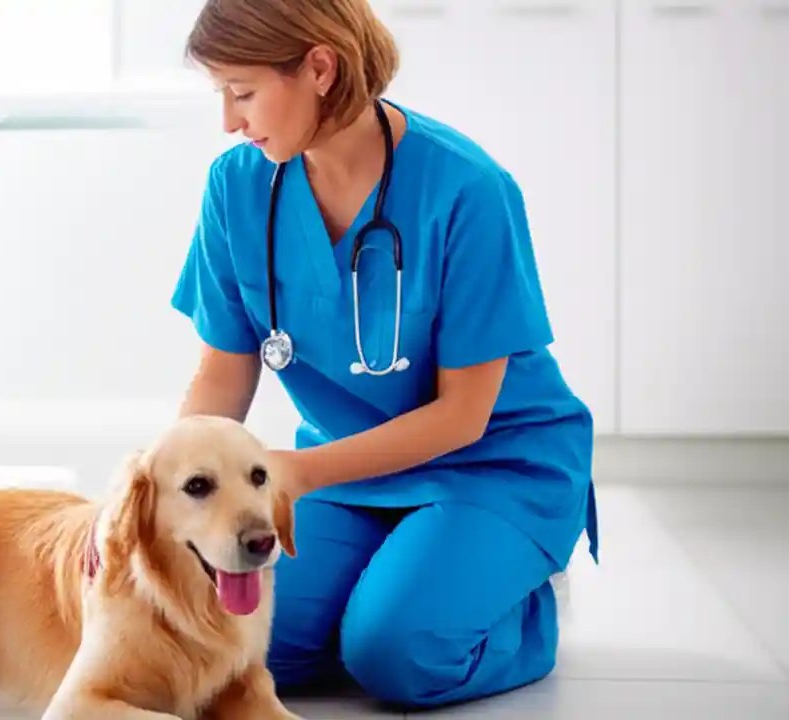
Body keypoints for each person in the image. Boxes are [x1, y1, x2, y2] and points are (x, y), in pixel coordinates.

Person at [169, 0, 600, 710]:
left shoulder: (467, 189)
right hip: (349, 467)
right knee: (244, 644)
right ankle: (404, 580)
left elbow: (463, 417)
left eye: (242, 93)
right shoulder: (237, 185)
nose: (229, 122)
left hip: (492, 466)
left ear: (318, 67)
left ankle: (520, 606)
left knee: (397, 656)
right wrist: (168, 493)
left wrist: (293, 472)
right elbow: (224, 369)